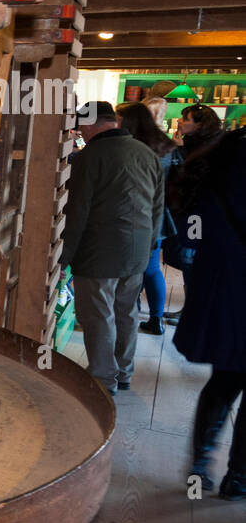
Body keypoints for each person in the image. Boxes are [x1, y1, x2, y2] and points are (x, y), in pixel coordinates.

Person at [62, 101, 164, 394]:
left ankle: (102, 378)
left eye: (82, 126)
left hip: (99, 251)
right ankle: (123, 372)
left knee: (98, 314)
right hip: (138, 250)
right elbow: (158, 208)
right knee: (126, 311)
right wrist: (149, 247)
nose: (81, 132)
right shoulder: (147, 153)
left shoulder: (89, 157)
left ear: (91, 124)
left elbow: (77, 212)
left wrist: (63, 259)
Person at [173, 126, 246, 499]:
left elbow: (191, 232)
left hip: (227, 292)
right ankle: (240, 478)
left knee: (223, 383)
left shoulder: (216, 165)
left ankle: (199, 470)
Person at [118, 102, 177, 334]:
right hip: (160, 213)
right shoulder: (166, 145)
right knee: (151, 269)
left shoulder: (134, 149)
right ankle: (156, 318)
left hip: (139, 214)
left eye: (120, 119)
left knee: (137, 269)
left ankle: (135, 312)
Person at [164, 104, 225, 325]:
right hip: (190, 213)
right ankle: (193, 311)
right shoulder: (195, 145)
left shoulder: (210, 149)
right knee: (185, 258)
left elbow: (202, 185)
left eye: (185, 119)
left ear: (199, 124)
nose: (180, 122)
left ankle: (195, 314)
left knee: (189, 258)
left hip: (197, 215)